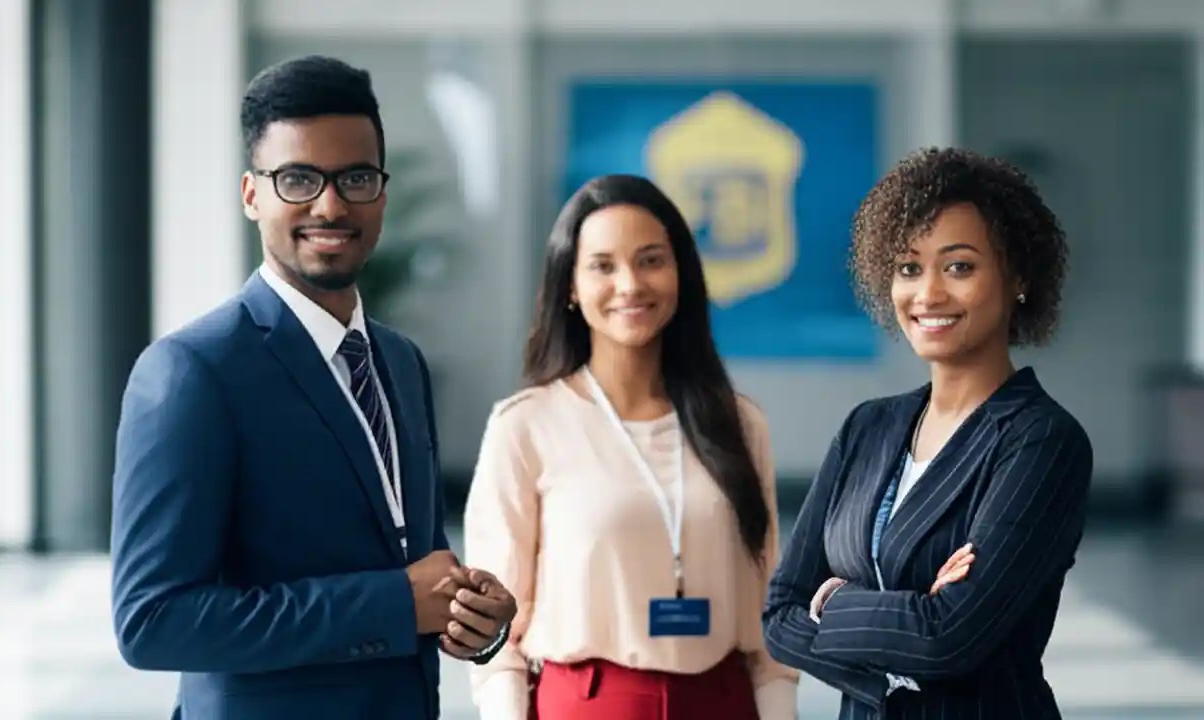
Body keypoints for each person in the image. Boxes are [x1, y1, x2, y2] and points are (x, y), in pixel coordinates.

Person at [109, 55, 516, 720]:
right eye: (298, 179)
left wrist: (468, 614)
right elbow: (153, 620)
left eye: (355, 178)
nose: (330, 205)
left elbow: (406, 561)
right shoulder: (191, 372)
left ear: (381, 190)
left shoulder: (400, 363)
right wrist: (393, 603)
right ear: (251, 194)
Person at [762, 147, 1092, 719]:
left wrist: (836, 600)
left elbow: (949, 637)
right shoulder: (868, 428)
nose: (928, 294)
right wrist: (903, 625)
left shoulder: (1041, 440)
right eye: (909, 268)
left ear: (1017, 277)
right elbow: (778, 617)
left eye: (959, 266)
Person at [462, 174, 800, 720]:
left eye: (650, 260)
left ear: (680, 275)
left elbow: (767, 611)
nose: (630, 284)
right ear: (570, 285)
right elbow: (497, 630)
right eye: (602, 265)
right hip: (588, 702)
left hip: (721, 699)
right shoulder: (525, 426)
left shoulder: (738, 423)